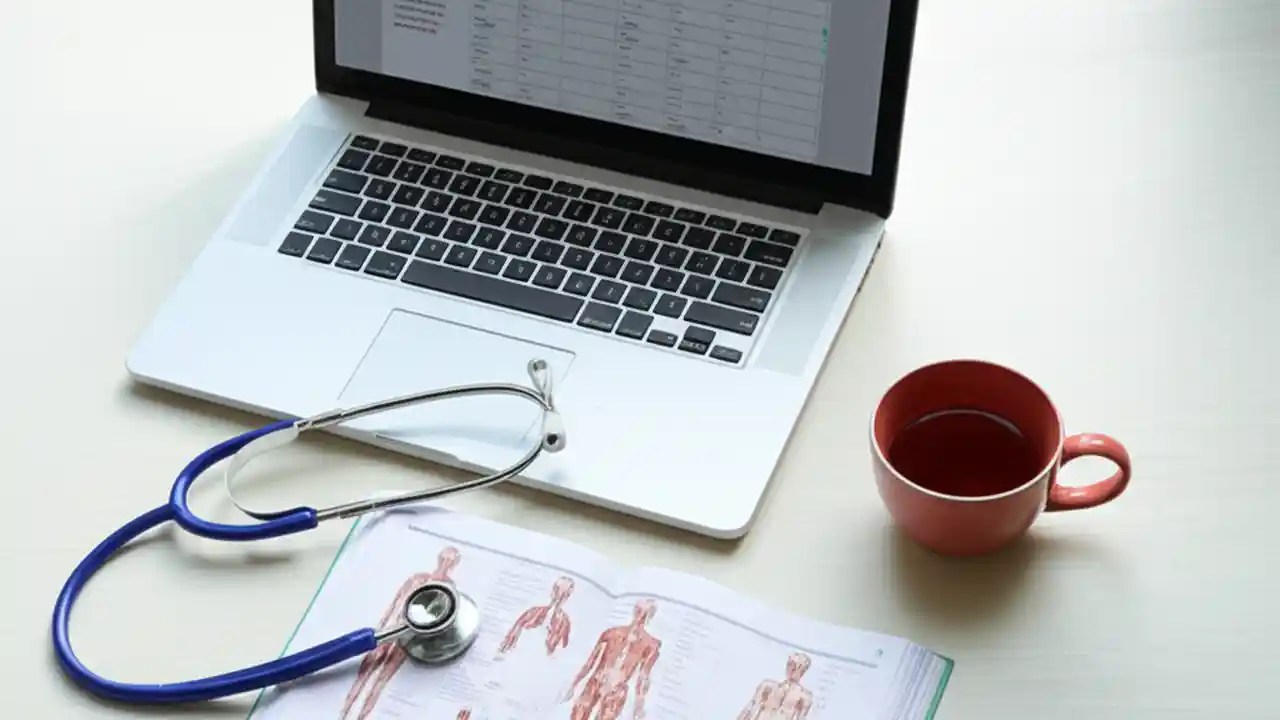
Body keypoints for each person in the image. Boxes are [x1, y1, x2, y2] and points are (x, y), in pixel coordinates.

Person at [339, 546, 462, 720]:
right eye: (445, 557)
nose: (446, 562)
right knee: (365, 672)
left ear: (454, 564)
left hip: (410, 638)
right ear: (439, 557)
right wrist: (382, 625)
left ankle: (361, 716)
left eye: (451, 560)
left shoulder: (449, 587)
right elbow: (395, 603)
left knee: (381, 680)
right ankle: (343, 713)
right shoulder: (418, 578)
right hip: (390, 628)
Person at [561, 599, 661, 720]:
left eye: (646, 614)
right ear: (634, 611)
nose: (641, 617)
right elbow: (590, 662)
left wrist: (639, 703)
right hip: (597, 679)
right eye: (639, 611)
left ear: (651, 616)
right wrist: (573, 684)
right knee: (579, 714)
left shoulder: (651, 644)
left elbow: (643, 676)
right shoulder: (611, 633)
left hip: (617, 688)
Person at [736, 652, 814, 720]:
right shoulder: (768, 686)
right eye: (790, 664)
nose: (792, 669)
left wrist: (797, 711)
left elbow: (801, 717)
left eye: (798, 667)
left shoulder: (804, 697)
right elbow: (750, 708)